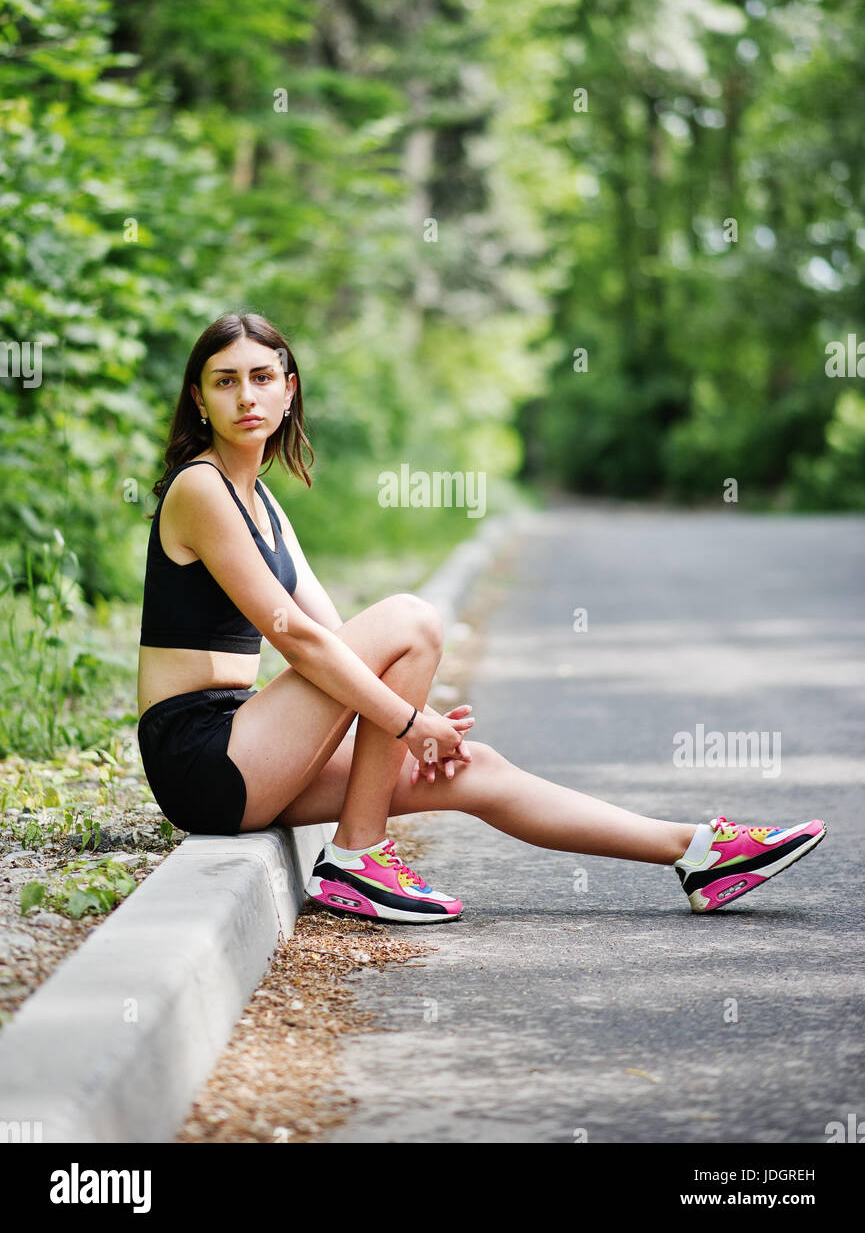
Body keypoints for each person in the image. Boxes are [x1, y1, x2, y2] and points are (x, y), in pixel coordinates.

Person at [137, 313, 827, 924]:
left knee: (472, 768)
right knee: (412, 617)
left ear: (289, 389)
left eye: (262, 377)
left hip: (246, 745)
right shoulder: (200, 487)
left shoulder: (261, 500)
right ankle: (357, 856)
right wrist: (409, 723)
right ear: (198, 399)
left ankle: (696, 852)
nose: (247, 395)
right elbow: (296, 636)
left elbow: (338, 631)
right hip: (201, 756)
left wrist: (415, 730)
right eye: (225, 382)